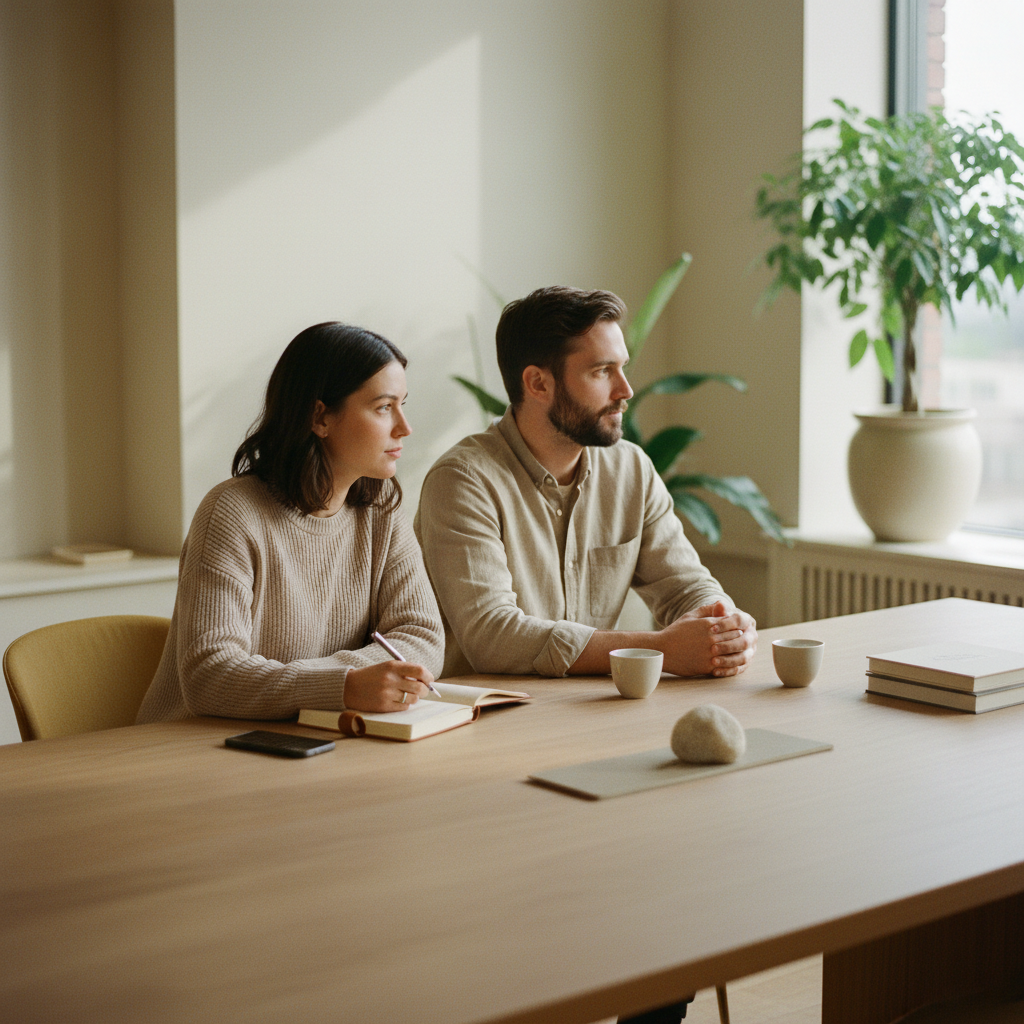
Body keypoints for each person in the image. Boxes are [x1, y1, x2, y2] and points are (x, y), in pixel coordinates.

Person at [416, 285, 757, 683]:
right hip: (488, 722)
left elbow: (685, 587)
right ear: (538, 384)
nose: (625, 390)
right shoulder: (462, 481)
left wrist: (723, 624)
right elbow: (492, 635)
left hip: (595, 709)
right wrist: (660, 650)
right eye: (602, 371)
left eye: (622, 368)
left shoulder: (631, 468)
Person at [137, 322, 444, 724]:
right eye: (384, 407)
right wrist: (345, 685)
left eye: (403, 404)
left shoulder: (381, 507)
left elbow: (421, 636)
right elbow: (210, 676)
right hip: (196, 748)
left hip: (311, 735)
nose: (404, 427)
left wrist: (337, 685)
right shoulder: (232, 513)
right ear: (320, 418)